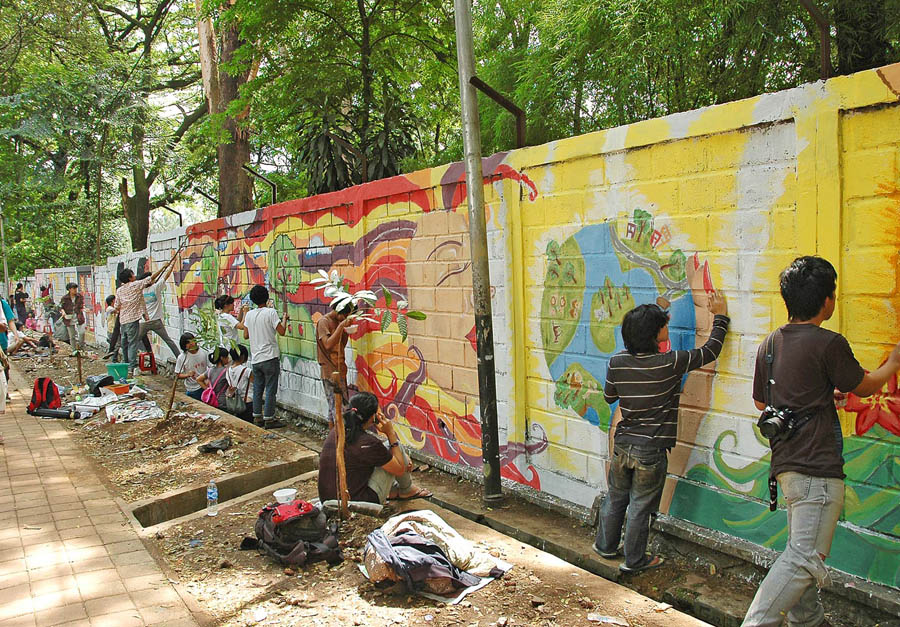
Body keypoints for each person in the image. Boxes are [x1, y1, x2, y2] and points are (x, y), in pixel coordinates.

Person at [742, 257, 900, 627]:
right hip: (817, 470)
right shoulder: (830, 343)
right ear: (828, 301)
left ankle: (810, 623)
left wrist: (816, 396)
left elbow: (763, 403)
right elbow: (860, 385)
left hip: (787, 468)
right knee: (803, 557)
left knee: (801, 551)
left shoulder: (770, 343)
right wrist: (892, 364)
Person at [594, 292, 730, 574]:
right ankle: (634, 561)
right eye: (663, 325)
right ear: (655, 335)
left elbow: (610, 397)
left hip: (622, 445)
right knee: (641, 506)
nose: (668, 327)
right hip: (650, 450)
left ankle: (605, 546)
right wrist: (720, 317)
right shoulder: (669, 363)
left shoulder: (617, 362)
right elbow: (710, 351)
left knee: (616, 496)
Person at [318, 392, 432, 505]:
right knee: (395, 447)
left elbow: (373, 452)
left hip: (329, 499)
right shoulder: (369, 443)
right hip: (356, 502)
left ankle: (393, 490)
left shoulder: (339, 430)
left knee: (392, 449)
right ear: (373, 417)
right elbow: (400, 469)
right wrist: (390, 433)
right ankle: (407, 490)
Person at [116, 250, 179, 376]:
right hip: (154, 321)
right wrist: (170, 264)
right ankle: (180, 359)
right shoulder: (145, 287)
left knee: (129, 343)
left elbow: (119, 306)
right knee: (168, 341)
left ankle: (126, 363)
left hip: (140, 322)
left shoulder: (134, 290)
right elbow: (162, 276)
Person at [243, 285, 287, 429]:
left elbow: (245, 335)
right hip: (270, 356)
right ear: (267, 297)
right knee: (270, 389)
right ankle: (269, 418)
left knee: (258, 389)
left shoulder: (249, 315)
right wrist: (285, 319)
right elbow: (282, 331)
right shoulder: (271, 312)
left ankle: (257, 417)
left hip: (256, 358)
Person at [316, 300, 355, 424]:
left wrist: (346, 330)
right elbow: (327, 345)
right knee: (335, 408)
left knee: (342, 405)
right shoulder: (324, 322)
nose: (345, 318)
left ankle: (337, 437)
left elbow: (341, 345)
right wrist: (341, 327)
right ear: (338, 310)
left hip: (340, 367)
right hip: (329, 370)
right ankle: (336, 439)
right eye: (345, 315)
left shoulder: (339, 322)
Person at [138, 263, 180, 360]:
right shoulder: (156, 287)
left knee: (134, 342)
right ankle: (179, 359)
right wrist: (171, 266)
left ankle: (128, 362)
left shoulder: (140, 291)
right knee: (169, 341)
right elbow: (166, 276)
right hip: (156, 321)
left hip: (143, 322)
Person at [174, 333, 209, 401]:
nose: (191, 344)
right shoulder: (182, 357)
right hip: (192, 388)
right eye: (188, 342)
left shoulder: (204, 352)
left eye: (192, 341)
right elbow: (178, 374)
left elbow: (210, 367)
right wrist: (187, 375)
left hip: (204, 385)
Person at [226, 345, 253, 421]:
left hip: (233, 401)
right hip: (246, 401)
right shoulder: (247, 370)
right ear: (243, 356)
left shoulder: (228, 370)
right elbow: (254, 384)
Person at [59, 282, 85, 353]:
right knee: (72, 336)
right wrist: (63, 312)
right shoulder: (65, 298)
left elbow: (81, 305)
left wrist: (83, 309)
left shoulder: (79, 296)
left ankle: (81, 347)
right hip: (69, 318)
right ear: (69, 289)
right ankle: (74, 350)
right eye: (74, 288)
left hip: (79, 317)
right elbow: (60, 307)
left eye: (76, 288)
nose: (75, 290)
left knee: (82, 332)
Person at [104, 295, 121, 361]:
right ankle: (114, 358)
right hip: (112, 330)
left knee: (117, 344)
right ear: (112, 301)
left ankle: (114, 357)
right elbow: (116, 311)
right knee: (117, 344)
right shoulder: (109, 308)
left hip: (114, 329)